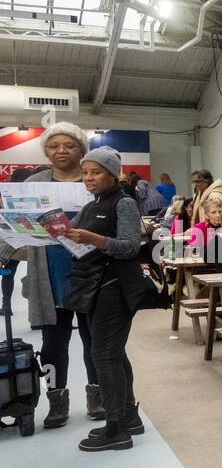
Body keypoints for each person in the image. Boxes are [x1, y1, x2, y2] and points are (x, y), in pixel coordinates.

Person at [0, 122, 101, 427]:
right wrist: (12, 247)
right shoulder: (34, 182)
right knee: (53, 345)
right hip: (49, 275)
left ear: (81, 149)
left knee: (93, 340)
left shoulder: (93, 180)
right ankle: (56, 401)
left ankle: (98, 399)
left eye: (68, 145)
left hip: (90, 273)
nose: (61, 151)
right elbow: (12, 225)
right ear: (46, 150)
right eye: (54, 146)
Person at [63, 147, 145, 452]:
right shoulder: (91, 205)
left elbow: (130, 247)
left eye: (95, 172)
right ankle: (128, 417)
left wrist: (93, 239)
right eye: (85, 172)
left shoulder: (123, 203)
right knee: (114, 352)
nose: (88, 178)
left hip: (115, 287)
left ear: (113, 174)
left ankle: (116, 429)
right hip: (91, 286)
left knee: (105, 355)